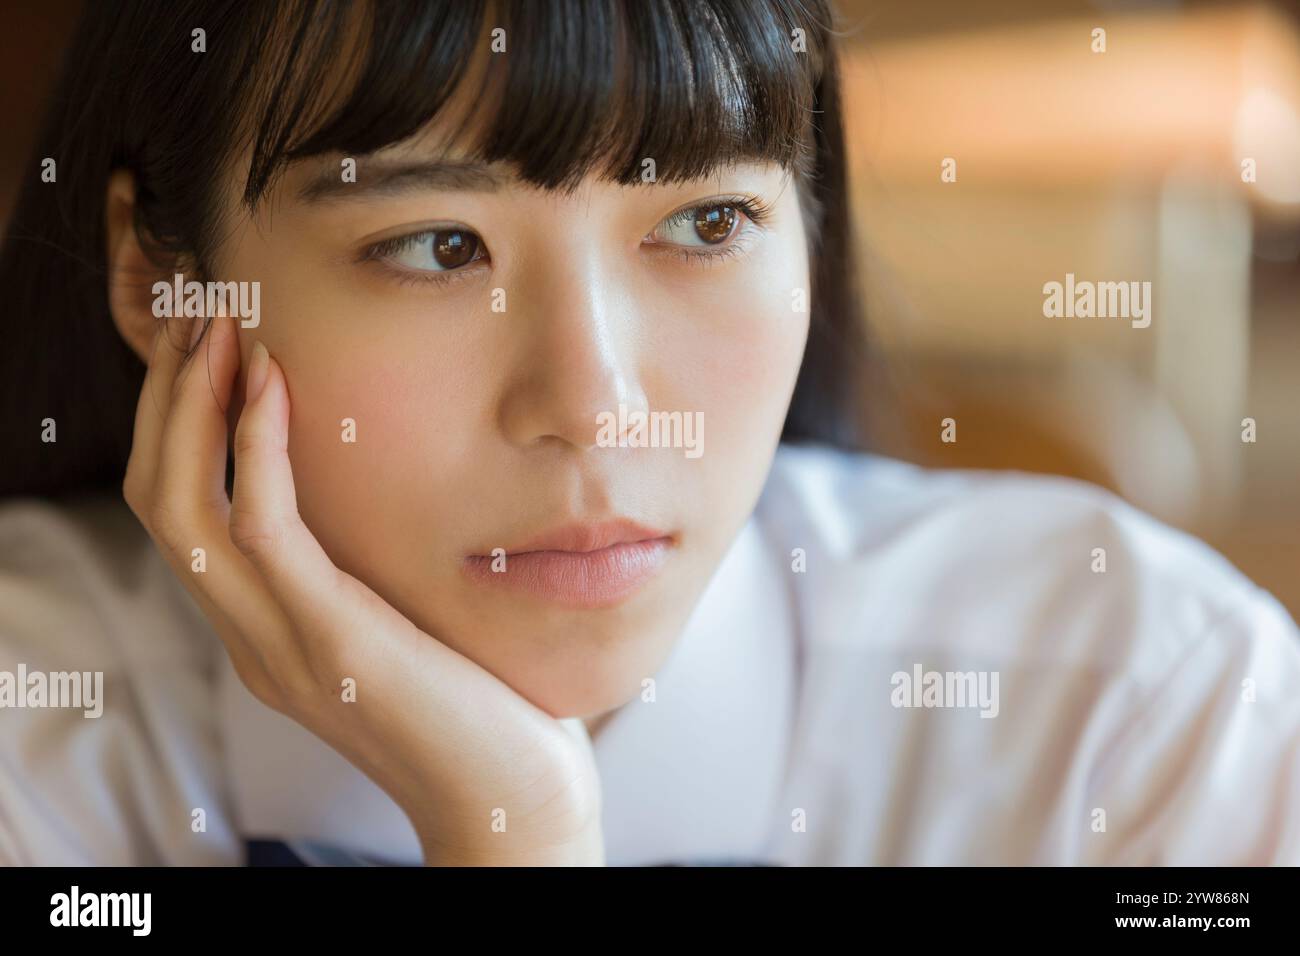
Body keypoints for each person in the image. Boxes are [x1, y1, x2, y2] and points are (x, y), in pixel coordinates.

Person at [1, 0, 1297, 866]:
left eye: (706, 225)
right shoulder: (34, 736)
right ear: (162, 281)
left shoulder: (1145, 715)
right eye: (437, 246)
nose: (598, 407)